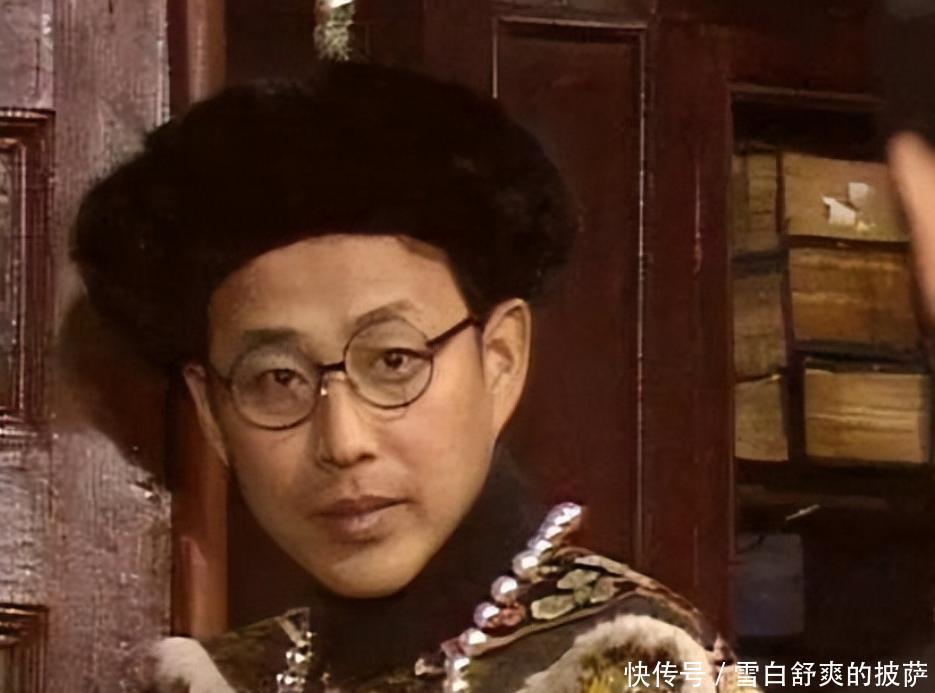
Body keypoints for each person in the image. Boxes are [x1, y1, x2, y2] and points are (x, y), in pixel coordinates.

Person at [73, 62, 751, 693]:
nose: (342, 441)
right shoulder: (223, 678)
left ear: (500, 360)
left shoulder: (635, 664)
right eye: (277, 379)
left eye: (393, 362)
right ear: (212, 413)